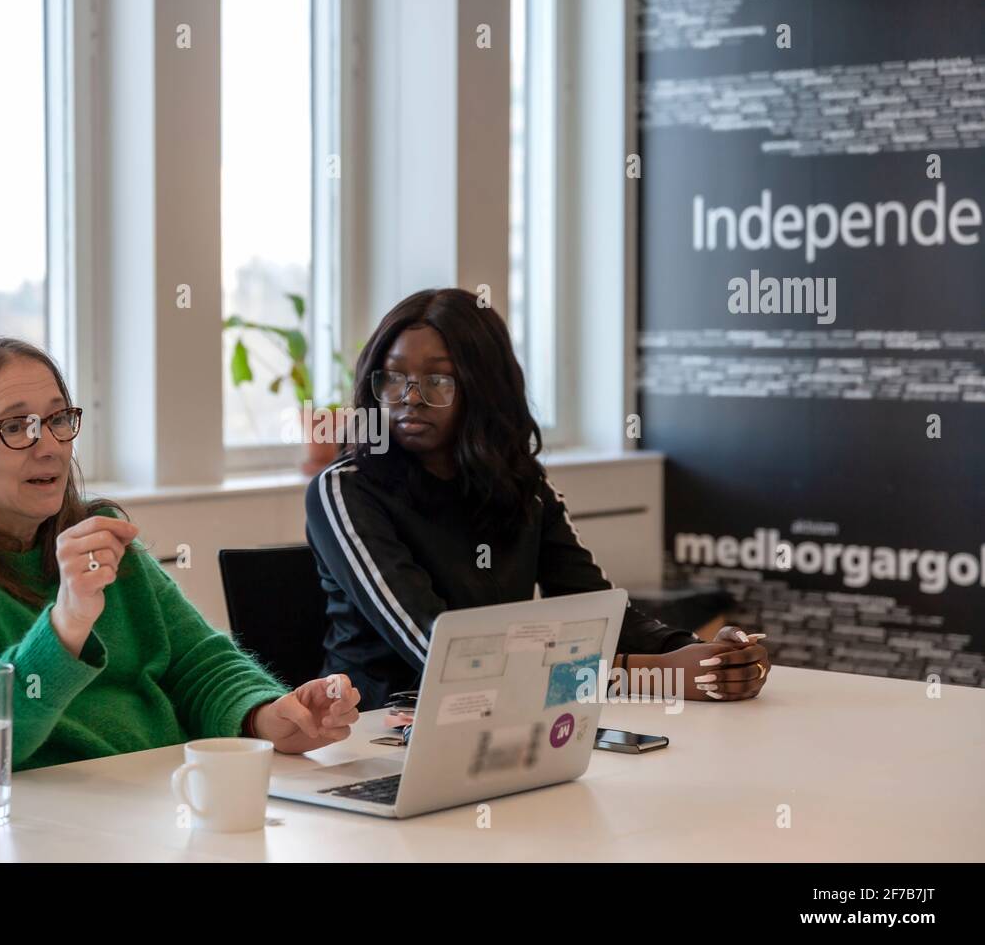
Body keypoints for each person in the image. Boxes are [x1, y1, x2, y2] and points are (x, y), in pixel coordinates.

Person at [0, 337, 360, 796]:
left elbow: (198, 661)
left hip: (145, 807)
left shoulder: (92, 532)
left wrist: (267, 716)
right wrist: (67, 624)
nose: (50, 446)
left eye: (59, 420)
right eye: (16, 427)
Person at [305, 288, 771, 710]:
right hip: (379, 732)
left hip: (505, 719)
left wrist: (701, 655)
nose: (409, 398)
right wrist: (650, 675)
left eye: (439, 381)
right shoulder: (347, 489)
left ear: (484, 388)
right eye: (391, 378)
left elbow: (598, 611)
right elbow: (444, 656)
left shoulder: (519, 485)